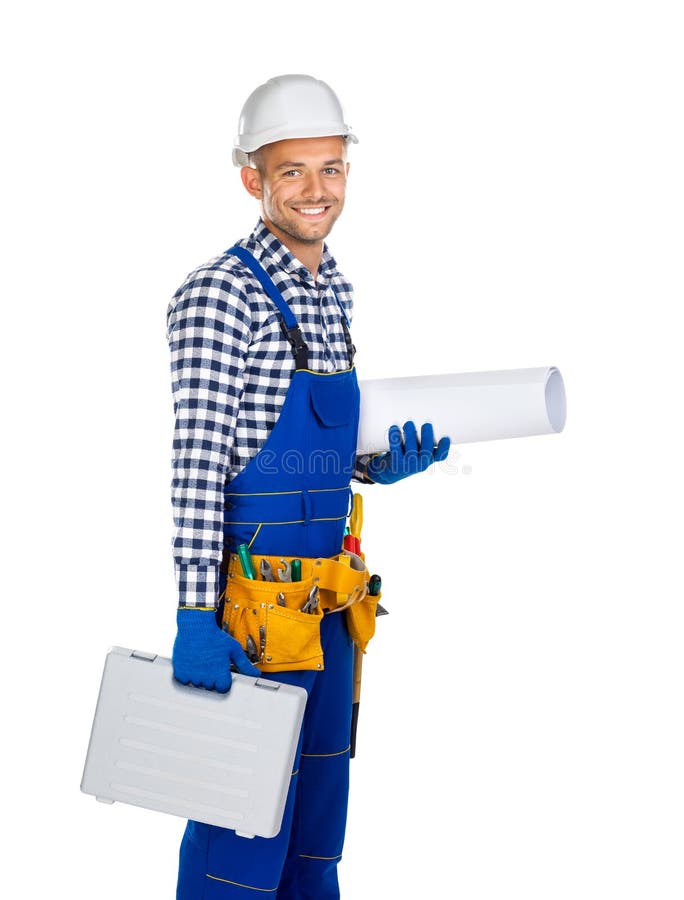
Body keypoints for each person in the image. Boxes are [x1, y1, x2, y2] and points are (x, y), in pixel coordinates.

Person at [167, 73, 450, 900]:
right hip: (253, 618)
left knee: (316, 831)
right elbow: (198, 466)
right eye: (292, 170)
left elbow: (296, 443)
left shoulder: (332, 291)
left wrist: (373, 465)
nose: (315, 190)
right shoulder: (223, 294)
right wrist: (193, 616)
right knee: (241, 834)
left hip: (329, 613)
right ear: (252, 178)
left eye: (331, 167)